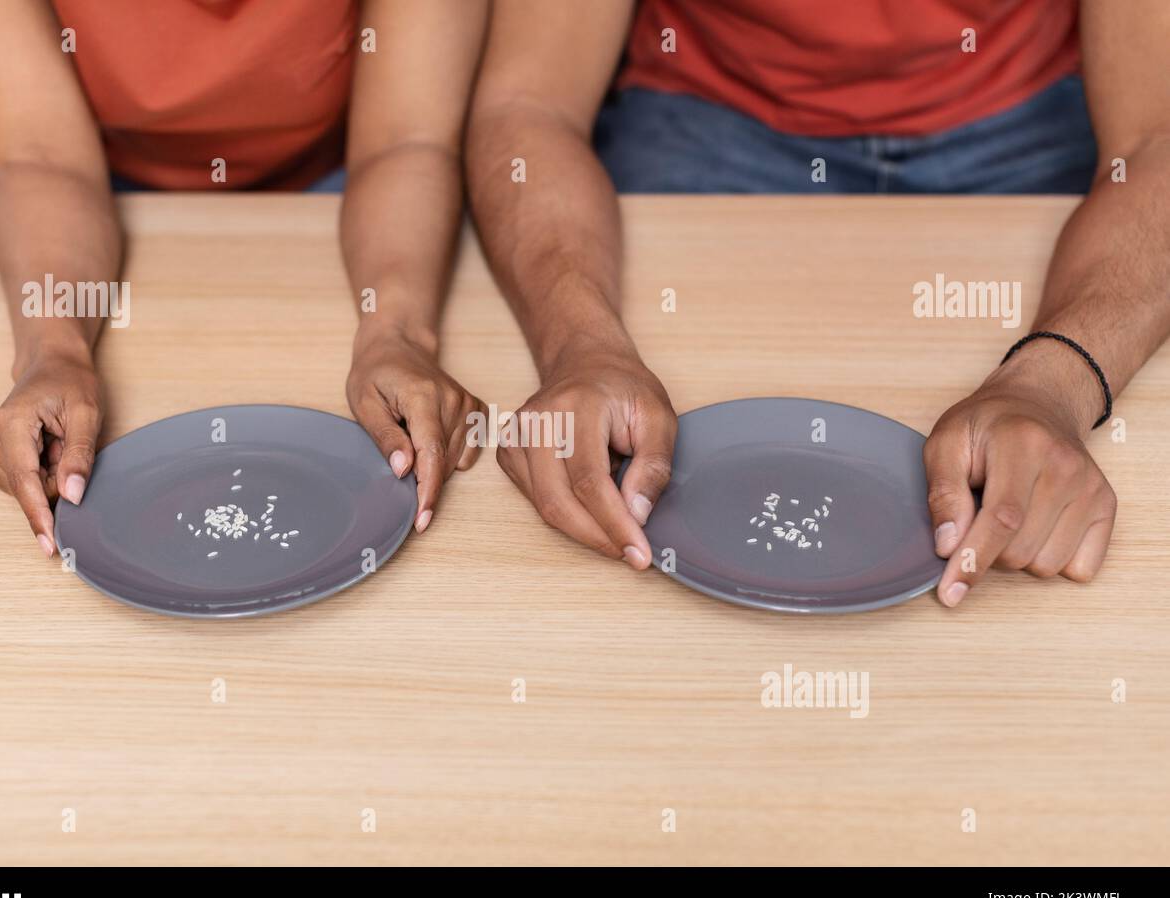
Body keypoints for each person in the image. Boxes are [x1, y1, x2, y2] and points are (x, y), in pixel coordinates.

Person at [466, 0, 1170, 607]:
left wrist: (1052, 386)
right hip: (708, 113)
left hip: (1025, 112)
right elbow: (529, 105)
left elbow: (1155, 136)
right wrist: (579, 345)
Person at [0, 0, 486, 556]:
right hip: (90, 189)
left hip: (344, 184)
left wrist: (397, 334)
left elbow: (405, 139)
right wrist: (53, 351)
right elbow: (39, 157)